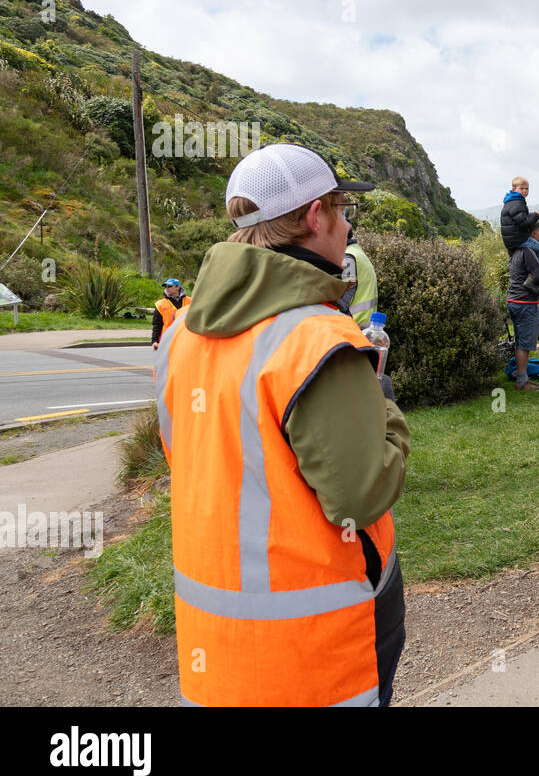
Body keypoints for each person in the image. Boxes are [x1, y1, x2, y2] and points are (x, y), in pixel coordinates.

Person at [154, 142, 410, 706]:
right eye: (344, 211)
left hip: (213, 651)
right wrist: (378, 394)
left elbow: (203, 464)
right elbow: (361, 495)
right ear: (315, 215)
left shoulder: (178, 337)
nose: (347, 227)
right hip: (316, 661)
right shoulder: (318, 339)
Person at [507, 223, 539, 390]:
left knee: (519, 341)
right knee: (524, 343)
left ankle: (521, 375)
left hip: (514, 301)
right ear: (533, 233)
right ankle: (522, 382)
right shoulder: (528, 252)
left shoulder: (515, 251)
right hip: (526, 303)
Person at [500, 176, 539, 265]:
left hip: (511, 241)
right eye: (521, 188)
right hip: (519, 240)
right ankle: (534, 274)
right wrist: (537, 215)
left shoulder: (511, 201)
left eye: (526, 189)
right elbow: (524, 222)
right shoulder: (517, 203)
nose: (524, 191)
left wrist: (534, 214)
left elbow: (520, 217)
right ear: (514, 189)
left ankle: (528, 272)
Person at [340, 227, 378, 327]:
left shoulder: (348, 258)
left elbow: (342, 301)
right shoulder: (356, 252)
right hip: (362, 327)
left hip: (351, 327)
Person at [151, 278, 190, 350]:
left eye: (169, 286)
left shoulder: (190, 301)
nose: (167, 288)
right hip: (168, 340)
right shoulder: (160, 304)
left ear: (177, 287)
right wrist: (154, 341)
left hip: (187, 339)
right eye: (165, 286)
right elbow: (157, 325)